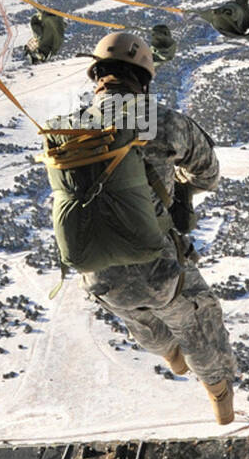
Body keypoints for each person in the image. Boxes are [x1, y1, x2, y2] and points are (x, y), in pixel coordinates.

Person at [74, 31, 237, 424]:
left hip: (95, 274)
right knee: (199, 318)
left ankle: (171, 358)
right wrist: (178, 189)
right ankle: (220, 397)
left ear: (98, 77)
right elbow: (208, 174)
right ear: (143, 78)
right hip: (158, 270)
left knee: (136, 314)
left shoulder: (73, 126)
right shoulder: (162, 123)